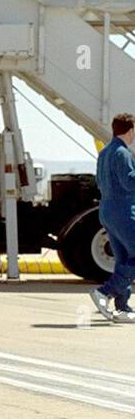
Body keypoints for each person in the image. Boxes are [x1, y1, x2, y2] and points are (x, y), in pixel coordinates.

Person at [91, 113, 135, 323]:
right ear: (131, 130)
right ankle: (105, 292)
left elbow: (99, 182)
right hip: (124, 211)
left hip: (107, 210)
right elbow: (129, 183)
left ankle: (122, 308)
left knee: (124, 260)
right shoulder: (122, 153)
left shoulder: (105, 152)